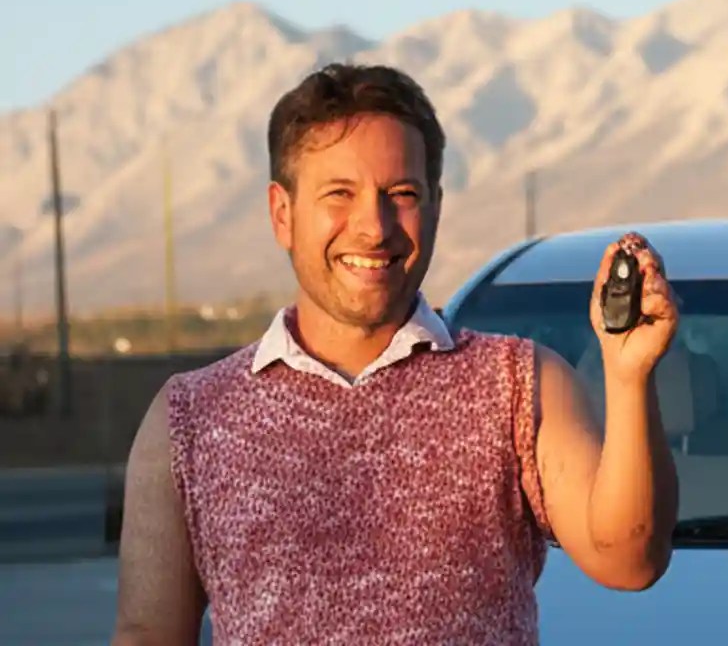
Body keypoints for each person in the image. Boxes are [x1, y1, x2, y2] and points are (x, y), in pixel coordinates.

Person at [111, 63, 681, 645]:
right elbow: (147, 634)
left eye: (401, 194)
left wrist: (629, 374)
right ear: (282, 214)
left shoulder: (521, 385)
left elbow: (629, 561)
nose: (374, 227)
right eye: (340, 194)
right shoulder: (191, 419)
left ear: (435, 203)